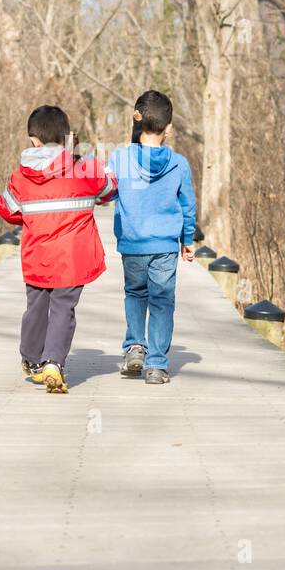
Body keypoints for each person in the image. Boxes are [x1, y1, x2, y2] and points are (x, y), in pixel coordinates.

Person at [0, 105, 116, 394]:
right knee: (63, 308)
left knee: (36, 307)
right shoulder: (83, 169)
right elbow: (109, 190)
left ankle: (32, 358)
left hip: (37, 258)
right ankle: (53, 361)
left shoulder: (20, 177)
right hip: (73, 259)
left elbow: (6, 210)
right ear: (66, 138)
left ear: (33, 140)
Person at [107, 90, 196, 384]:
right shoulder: (179, 164)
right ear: (168, 128)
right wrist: (188, 240)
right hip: (165, 247)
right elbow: (187, 205)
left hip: (133, 243)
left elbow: (106, 193)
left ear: (138, 121)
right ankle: (157, 364)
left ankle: (135, 347)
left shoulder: (120, 157)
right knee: (162, 301)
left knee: (135, 294)